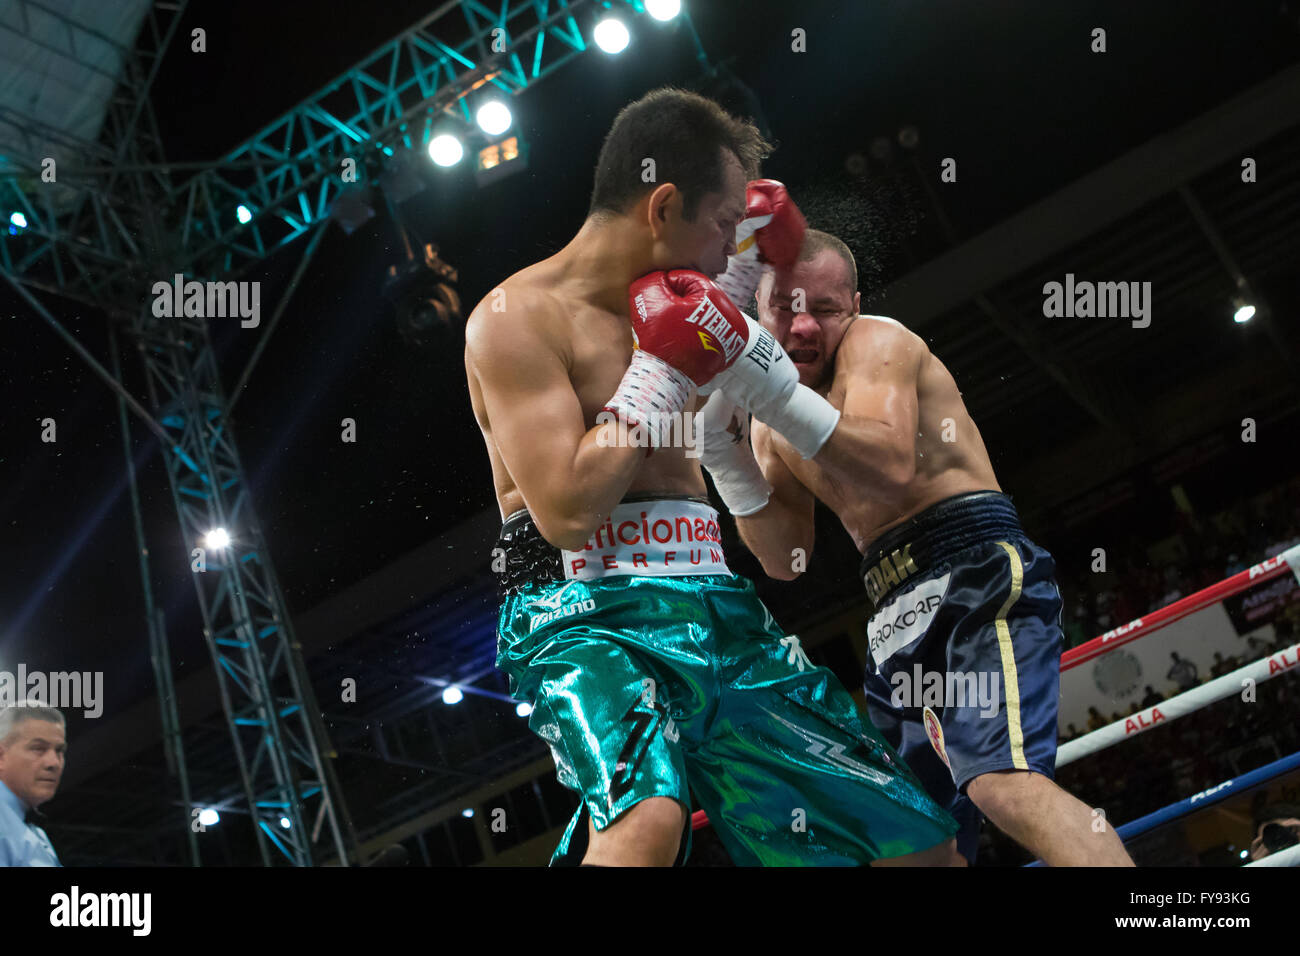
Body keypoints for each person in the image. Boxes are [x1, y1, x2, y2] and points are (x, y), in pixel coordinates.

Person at [464, 88, 960, 866]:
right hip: (579, 609)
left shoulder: (679, 299)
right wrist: (658, 370)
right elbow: (565, 510)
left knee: (915, 845)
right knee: (648, 820)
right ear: (663, 206)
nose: (734, 248)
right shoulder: (516, 319)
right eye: (723, 224)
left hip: (711, 595)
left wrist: (742, 274)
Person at [699, 226, 1134, 865]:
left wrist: (773, 391)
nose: (804, 327)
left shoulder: (879, 342)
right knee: (915, 846)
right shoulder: (770, 422)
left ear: (852, 305)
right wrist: (726, 460)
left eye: (824, 308)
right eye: (785, 309)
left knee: (1000, 784)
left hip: (971, 570)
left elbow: (889, 463)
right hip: (890, 615)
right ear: (757, 315)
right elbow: (784, 560)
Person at [0, 702, 64, 866]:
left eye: (59, 751)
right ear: (1, 756)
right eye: (38, 749)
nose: (54, 762)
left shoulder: (34, 831)